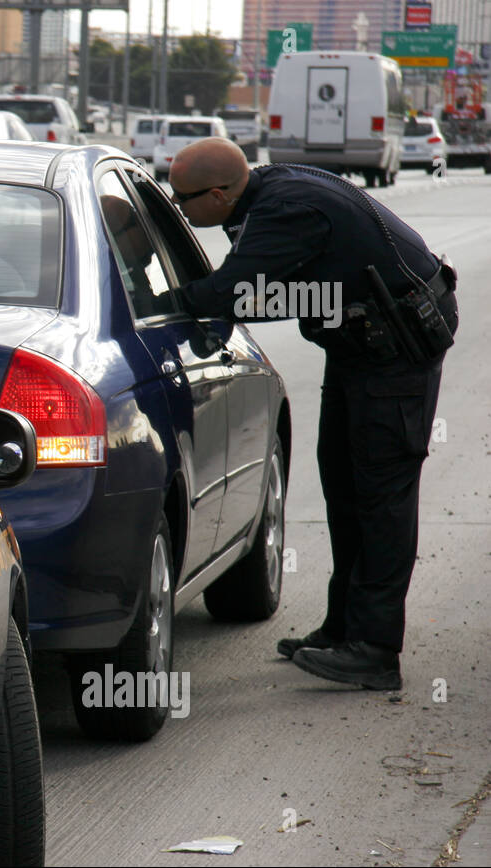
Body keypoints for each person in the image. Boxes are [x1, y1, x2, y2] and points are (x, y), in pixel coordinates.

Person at [167, 138, 457, 691]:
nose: (180, 209)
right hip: (361, 348)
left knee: (381, 499)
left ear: (221, 194)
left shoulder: (284, 209)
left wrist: (164, 305)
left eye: (184, 200)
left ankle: (374, 651)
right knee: (345, 488)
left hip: (395, 354)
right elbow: (271, 294)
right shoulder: (268, 196)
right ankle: (344, 629)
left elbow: (229, 292)